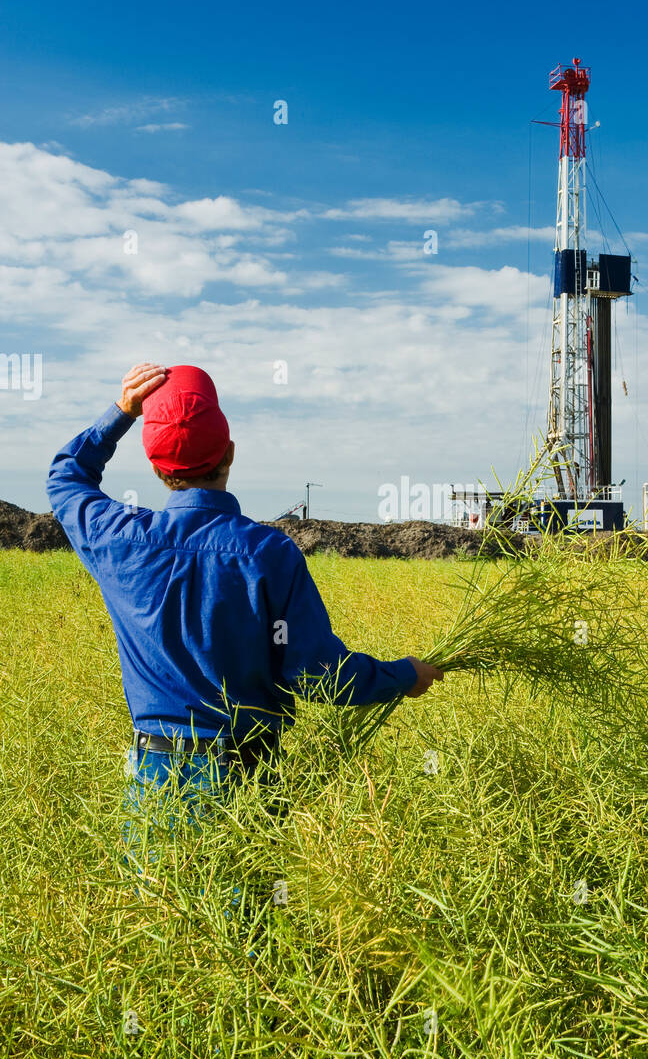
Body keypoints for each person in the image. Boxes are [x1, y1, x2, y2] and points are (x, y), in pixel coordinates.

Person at [46, 363, 443, 849]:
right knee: (247, 919)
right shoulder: (267, 555)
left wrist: (121, 413)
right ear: (229, 452)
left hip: (151, 783)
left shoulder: (120, 541)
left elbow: (66, 479)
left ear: (154, 466)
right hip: (245, 785)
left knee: (159, 916)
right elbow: (319, 676)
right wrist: (403, 676)